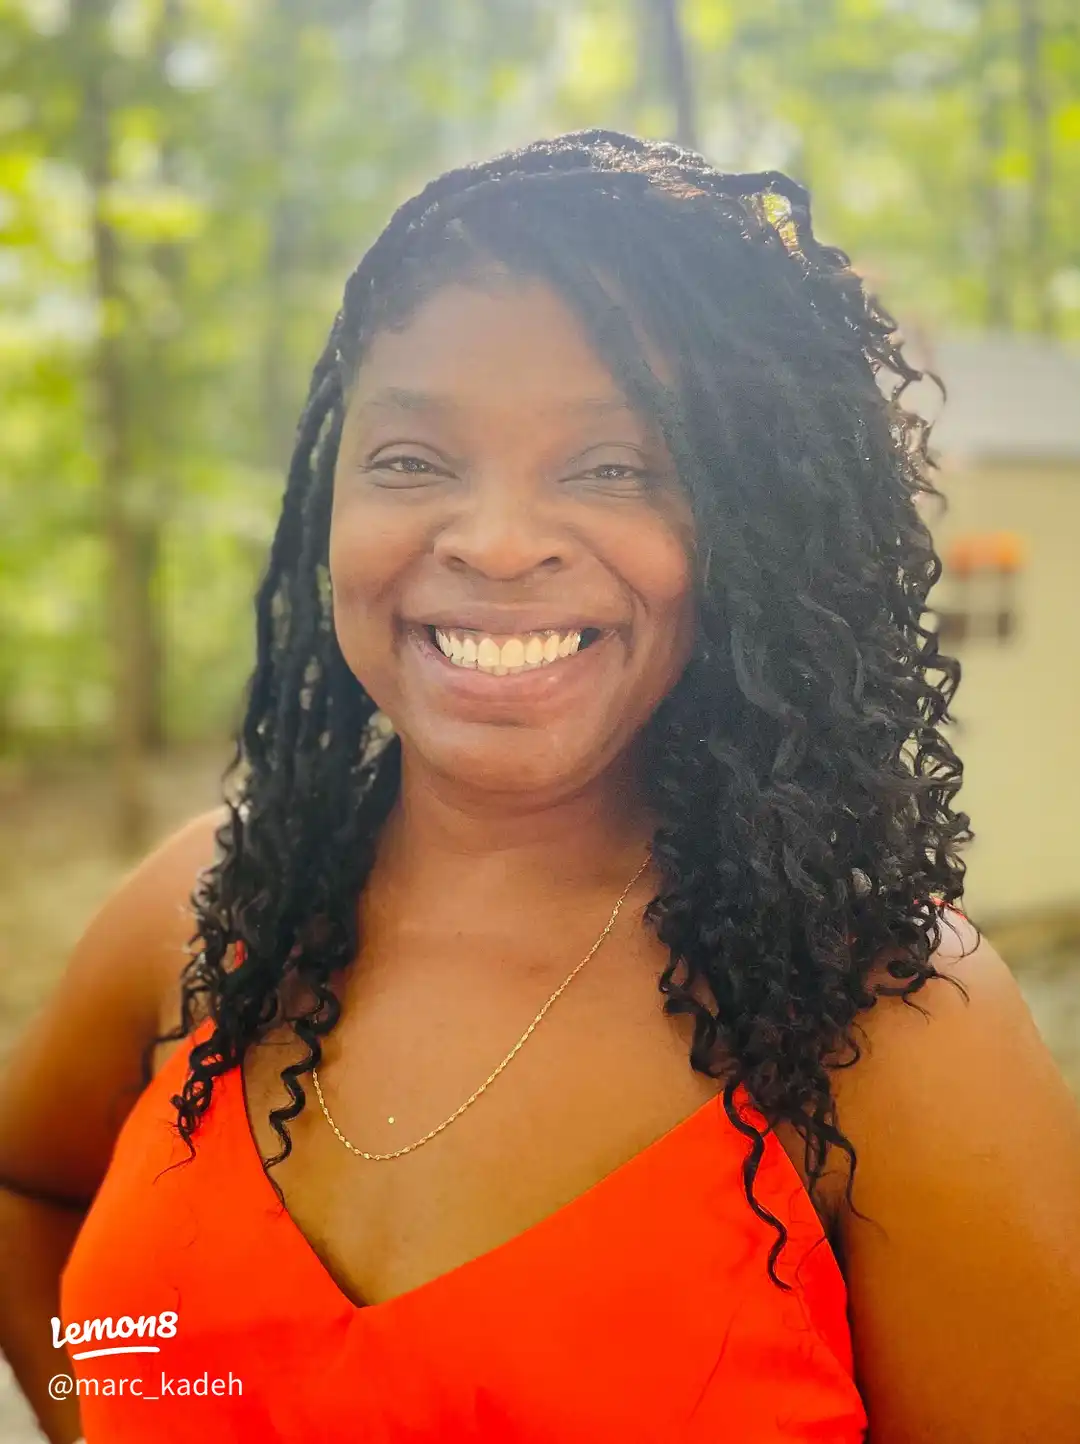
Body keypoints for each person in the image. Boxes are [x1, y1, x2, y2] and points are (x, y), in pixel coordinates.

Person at [1, 130, 1078, 1444]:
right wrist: (100, 1407)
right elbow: (30, 1188)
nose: (498, 543)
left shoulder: (897, 1031)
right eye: (412, 460)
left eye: (614, 467)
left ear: (750, 532)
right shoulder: (203, 907)